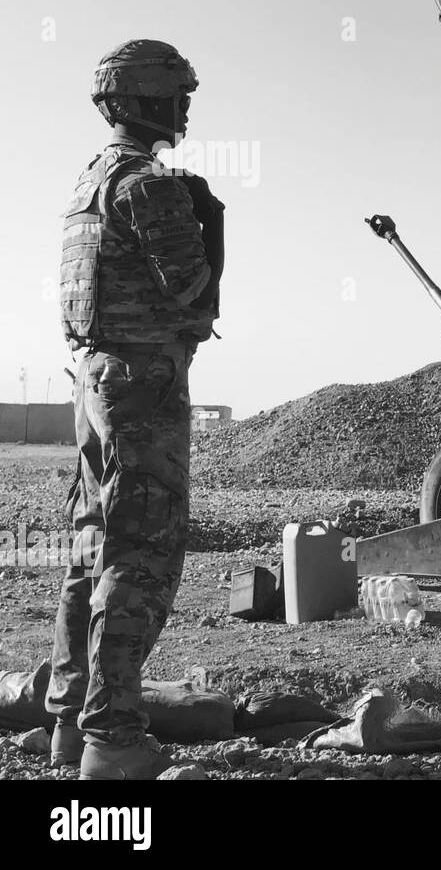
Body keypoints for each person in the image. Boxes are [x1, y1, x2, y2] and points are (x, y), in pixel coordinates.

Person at [49, 39, 224, 779]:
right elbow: (189, 287)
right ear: (147, 100)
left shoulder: (89, 182)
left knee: (91, 547)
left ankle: (69, 721)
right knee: (141, 550)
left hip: (94, 384)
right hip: (142, 390)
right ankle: (112, 738)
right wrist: (205, 218)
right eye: (177, 95)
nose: (185, 108)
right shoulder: (146, 183)